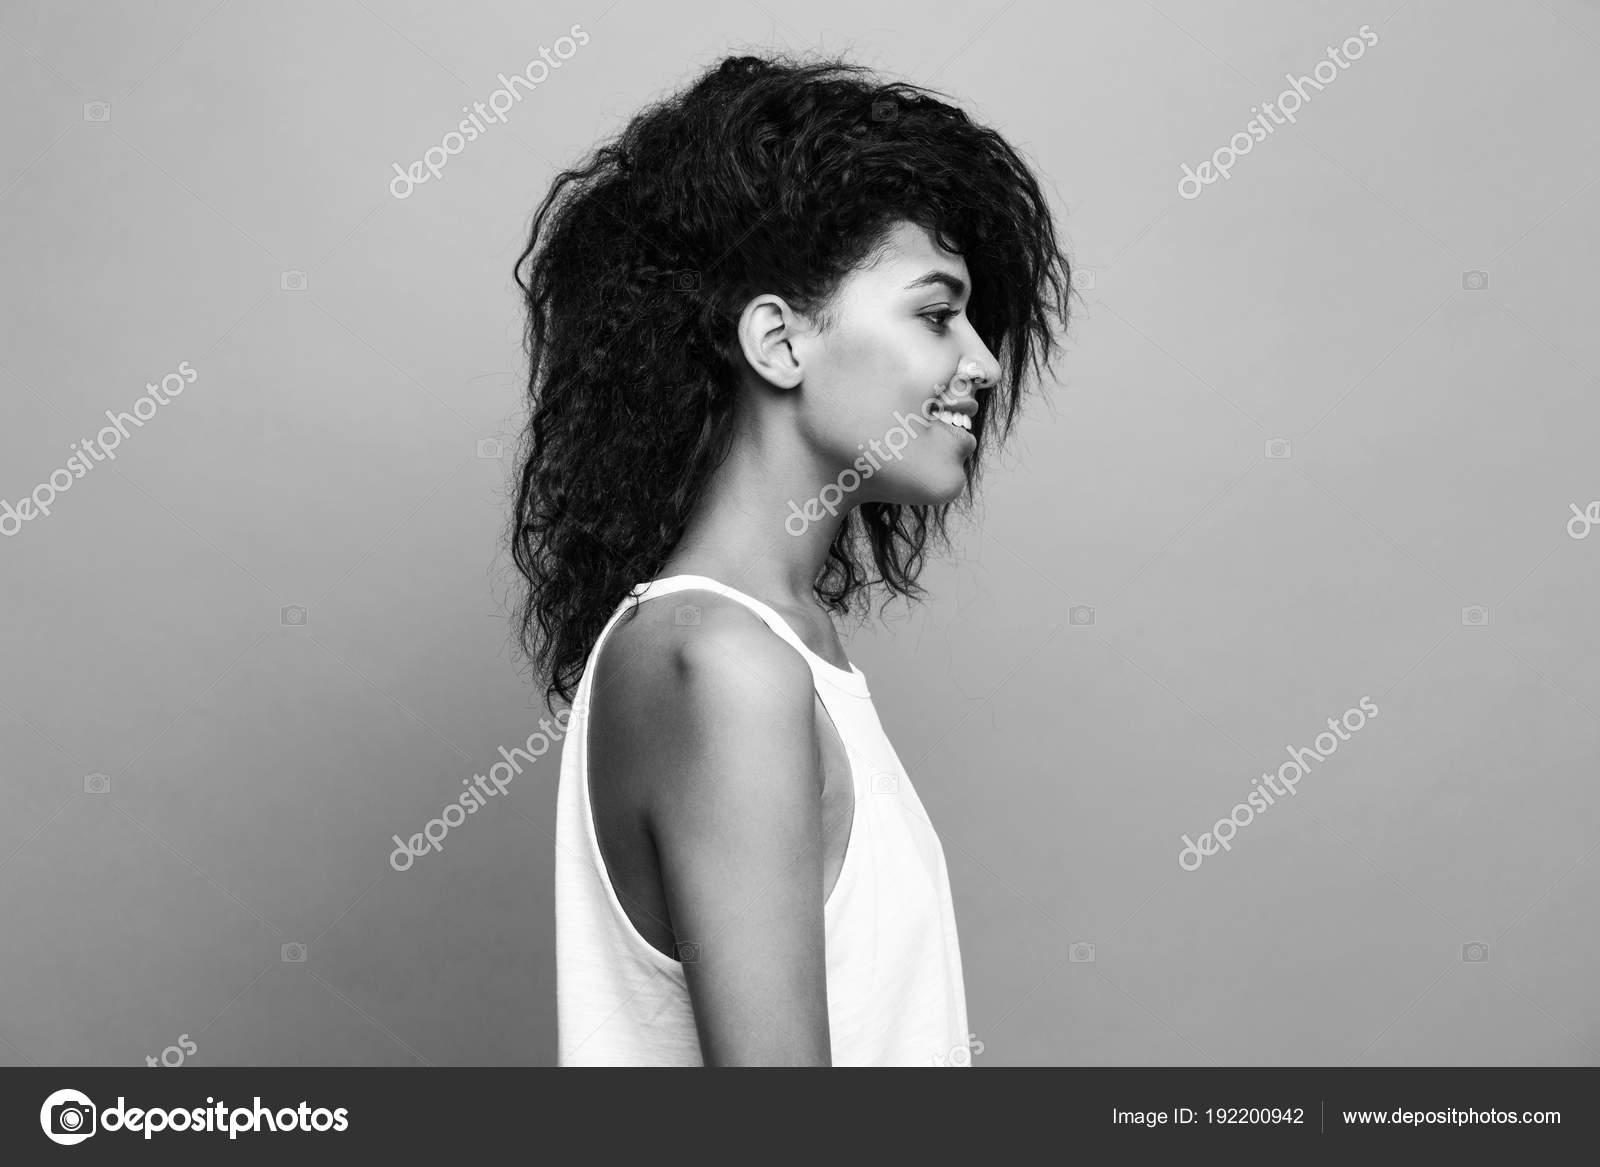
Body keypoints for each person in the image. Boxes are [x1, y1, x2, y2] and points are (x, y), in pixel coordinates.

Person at [509, 52, 1071, 1065]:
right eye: (937, 313)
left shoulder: (777, 649)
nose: (983, 364)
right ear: (777, 341)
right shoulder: (719, 663)